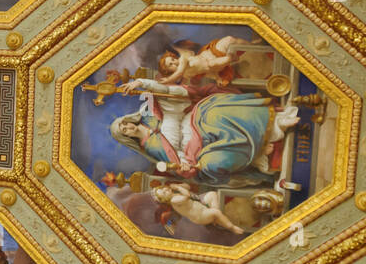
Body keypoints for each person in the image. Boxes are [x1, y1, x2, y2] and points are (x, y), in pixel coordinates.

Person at [111, 78, 302, 188]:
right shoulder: (151, 148)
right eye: (124, 130)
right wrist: (184, 166)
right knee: (214, 161)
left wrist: (141, 83)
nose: (128, 127)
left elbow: (167, 93)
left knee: (215, 111)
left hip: (193, 119)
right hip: (192, 148)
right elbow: (175, 160)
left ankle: (277, 124)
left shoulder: (147, 112)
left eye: (125, 123)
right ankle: (258, 151)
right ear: (126, 137)